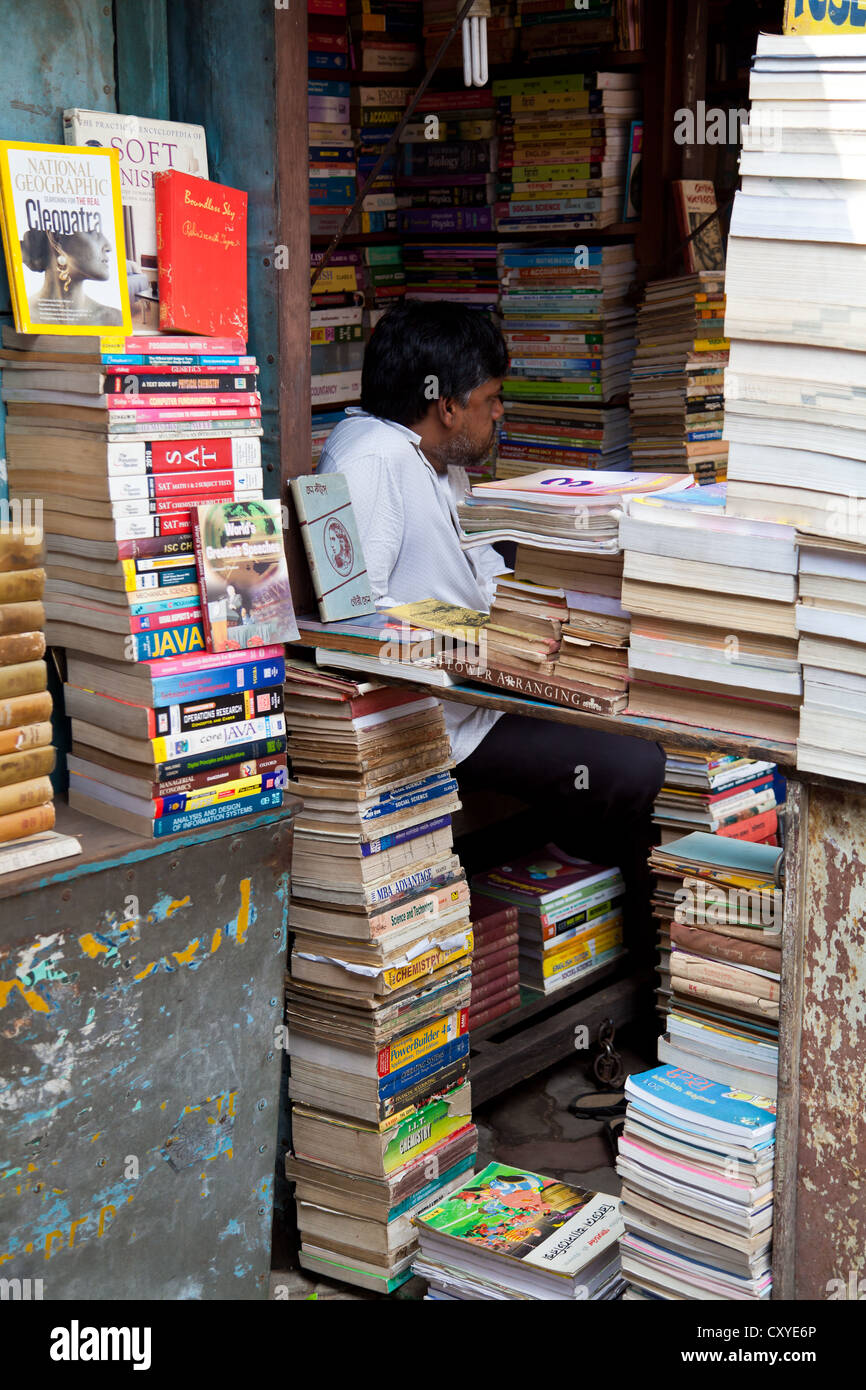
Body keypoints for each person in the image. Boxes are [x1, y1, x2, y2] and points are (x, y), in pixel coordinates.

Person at [318, 300, 663, 938]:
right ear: (446, 404)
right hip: (444, 715)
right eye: (491, 397)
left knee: (639, 701)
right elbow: (353, 619)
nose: (499, 412)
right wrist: (483, 643)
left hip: (487, 684)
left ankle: (592, 891)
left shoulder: (430, 457)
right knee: (638, 766)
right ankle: (650, 966)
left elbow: (477, 568)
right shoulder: (372, 462)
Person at [20, 226, 123, 327]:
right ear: (56, 239)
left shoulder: (114, 320)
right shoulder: (25, 317)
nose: (109, 247)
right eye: (92, 232)